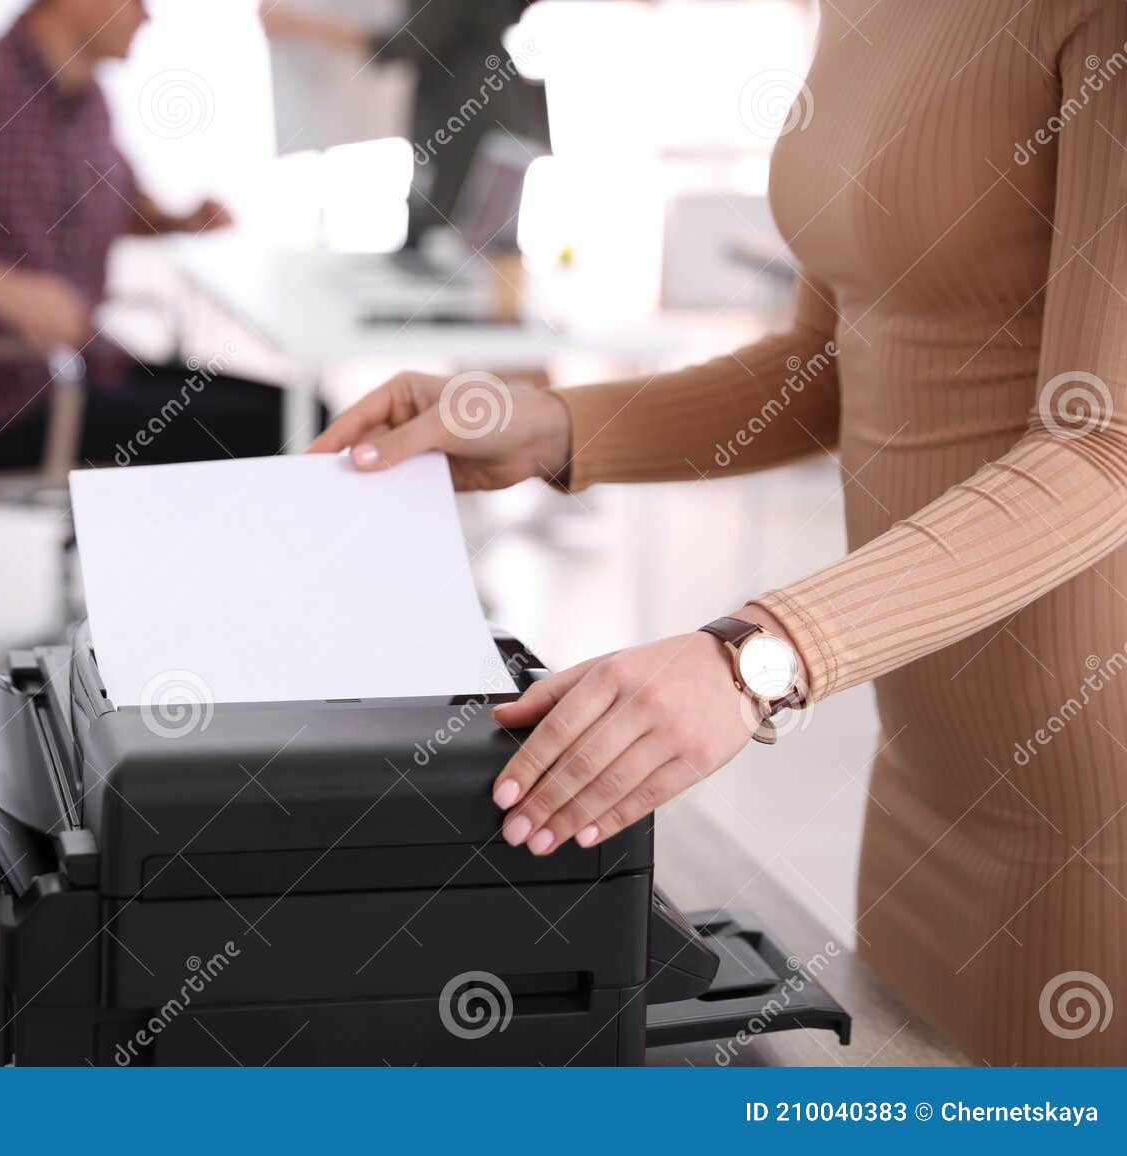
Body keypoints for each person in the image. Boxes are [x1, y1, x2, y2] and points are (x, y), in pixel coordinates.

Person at [310, 0, 1127, 1065]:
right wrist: (555, 426)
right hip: (928, 752)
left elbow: (1103, 443)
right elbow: (825, 365)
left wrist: (755, 655)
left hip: (1087, 775)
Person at [0, 0, 292, 473]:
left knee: (301, 410)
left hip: (85, 371)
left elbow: (117, 208)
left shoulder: (89, 101)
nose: (147, 16)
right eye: (135, 2)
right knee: (291, 430)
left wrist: (182, 221)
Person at [262, 1, 547, 238]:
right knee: (464, 234)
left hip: (469, 106)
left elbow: (407, 44)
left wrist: (302, 26)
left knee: (454, 235)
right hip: (487, 100)